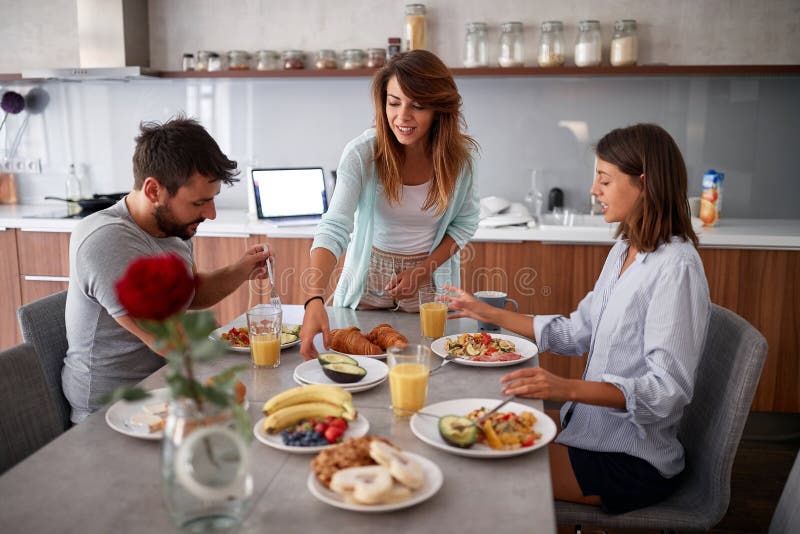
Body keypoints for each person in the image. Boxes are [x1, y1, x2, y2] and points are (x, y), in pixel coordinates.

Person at [446, 123, 711, 514]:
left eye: (604, 180)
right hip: (588, 430)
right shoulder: (624, 249)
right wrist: (486, 312)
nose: (593, 190)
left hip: (630, 459)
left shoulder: (676, 268)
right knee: (469, 430)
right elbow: (575, 332)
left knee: (476, 468)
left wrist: (566, 388)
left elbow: (666, 392)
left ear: (645, 183)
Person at [62, 117, 271, 423]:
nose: (210, 214)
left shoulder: (171, 226)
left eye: (212, 200)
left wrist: (241, 269)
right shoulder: (107, 240)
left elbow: (191, 294)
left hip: (164, 386)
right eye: (200, 202)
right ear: (153, 190)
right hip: (112, 411)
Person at [300, 50, 480, 360]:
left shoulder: (460, 160)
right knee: (360, 364)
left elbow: (464, 224)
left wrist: (423, 271)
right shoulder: (362, 154)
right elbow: (335, 226)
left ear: (439, 109)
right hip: (367, 278)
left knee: (429, 369)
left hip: (429, 281)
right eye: (393, 103)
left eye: (418, 106)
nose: (402, 117)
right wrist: (314, 298)